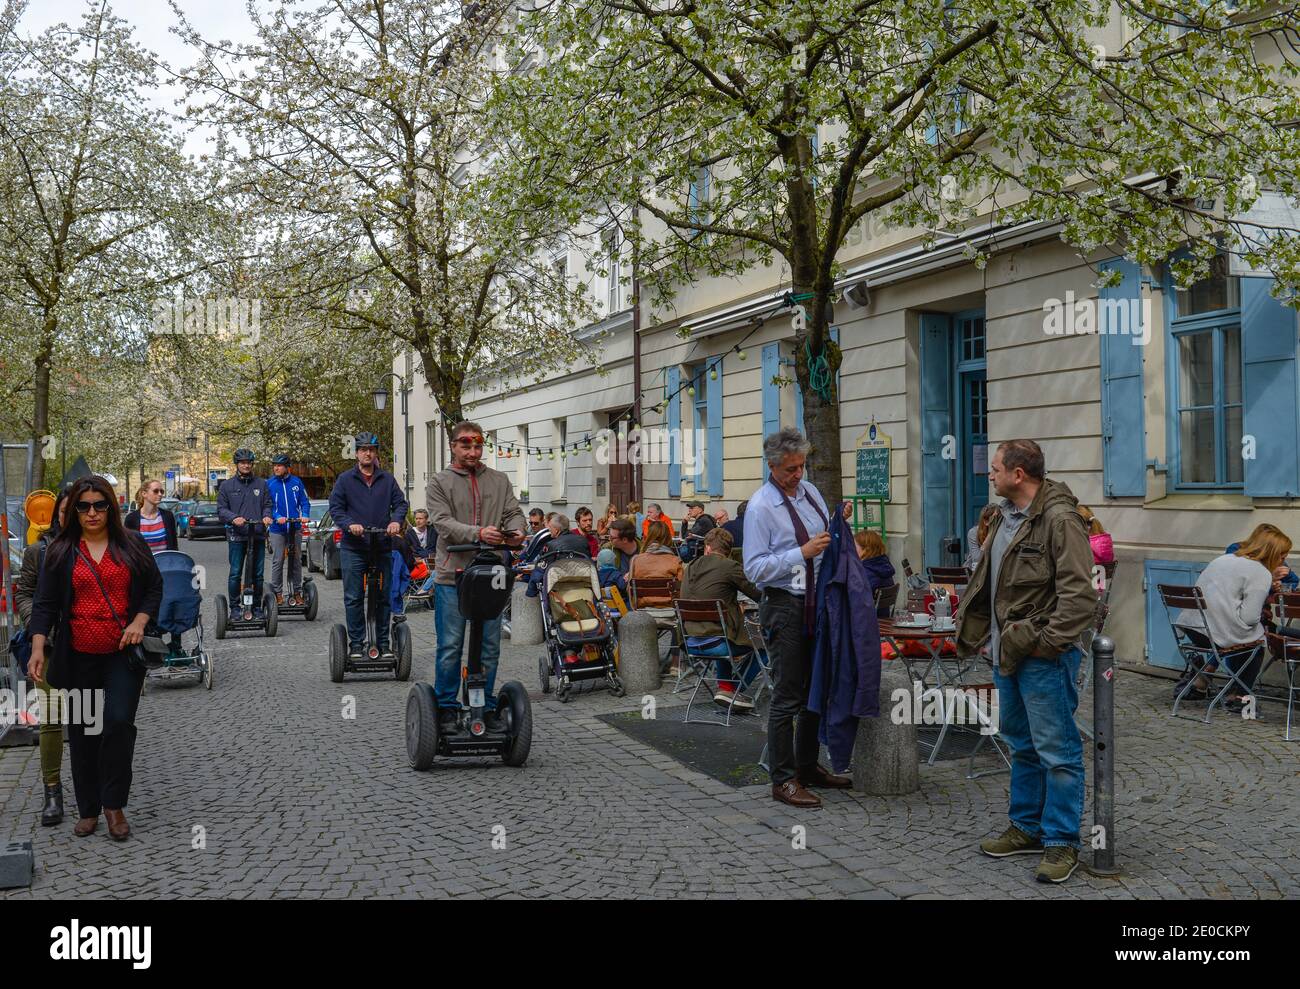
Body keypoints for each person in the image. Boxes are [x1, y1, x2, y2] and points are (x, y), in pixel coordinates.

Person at [956, 439, 1095, 884]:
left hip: (1041, 657)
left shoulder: (1059, 519)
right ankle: (1026, 827)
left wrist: (1048, 644)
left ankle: (1061, 843)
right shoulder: (1002, 517)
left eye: (995, 468)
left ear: (1019, 474)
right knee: (1022, 743)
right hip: (1006, 653)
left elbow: (1079, 596)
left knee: (1058, 752)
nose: (988, 474)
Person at [27, 475, 164, 841]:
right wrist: (38, 646)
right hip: (78, 656)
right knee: (84, 732)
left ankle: (114, 804)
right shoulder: (61, 551)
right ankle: (88, 808)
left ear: (111, 507)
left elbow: (154, 587)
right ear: (74, 511)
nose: (91, 512)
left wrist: (139, 620)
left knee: (118, 723)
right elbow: (44, 604)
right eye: (83, 506)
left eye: (99, 505)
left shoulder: (131, 544)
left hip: (120, 654)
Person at [743, 427, 845, 808]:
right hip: (785, 604)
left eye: (801, 466)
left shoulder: (810, 492)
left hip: (816, 602)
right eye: (790, 469)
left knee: (815, 687)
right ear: (772, 466)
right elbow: (754, 570)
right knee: (787, 696)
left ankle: (807, 765)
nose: (798, 474)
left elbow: (824, 538)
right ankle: (782, 778)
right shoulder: (760, 507)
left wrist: (837, 522)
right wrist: (800, 552)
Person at [427, 421, 525, 730]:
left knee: (490, 646)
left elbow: (513, 512)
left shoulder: (498, 480)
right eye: (465, 445)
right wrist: (478, 532)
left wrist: (518, 530)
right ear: (453, 447)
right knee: (451, 644)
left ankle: (484, 705)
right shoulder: (439, 482)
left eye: (478, 445)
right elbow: (442, 522)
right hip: (453, 574)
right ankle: (445, 707)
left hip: (491, 572)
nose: (472, 450)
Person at [1175, 526, 1293, 709]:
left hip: (1193, 629)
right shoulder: (1260, 572)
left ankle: (1217, 685)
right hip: (1215, 634)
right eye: (1282, 556)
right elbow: (1250, 618)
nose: (1283, 561)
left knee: (1248, 638)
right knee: (1258, 641)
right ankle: (1239, 697)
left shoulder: (1223, 559)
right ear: (1271, 553)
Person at [16, 488, 70, 826]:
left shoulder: (95, 547)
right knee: (51, 718)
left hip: (88, 644)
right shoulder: (39, 551)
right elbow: (24, 592)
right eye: (65, 510)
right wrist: (36, 622)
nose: (70, 515)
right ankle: (52, 791)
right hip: (49, 644)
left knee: (89, 716)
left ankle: (94, 786)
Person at [328, 434, 408, 660]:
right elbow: (336, 508)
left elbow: (401, 504)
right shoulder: (345, 480)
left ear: (375, 453)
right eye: (363, 449)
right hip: (354, 547)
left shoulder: (387, 479)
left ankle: (382, 643)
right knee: (354, 596)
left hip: (381, 545)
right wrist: (349, 524)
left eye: (371, 449)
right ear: (356, 453)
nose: (367, 453)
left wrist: (395, 521)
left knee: (384, 596)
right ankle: (356, 644)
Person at [681, 527, 761, 710]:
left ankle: (725, 688)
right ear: (729, 550)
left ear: (707, 547)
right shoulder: (729, 566)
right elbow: (757, 594)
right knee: (764, 647)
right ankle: (733, 691)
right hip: (717, 641)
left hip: (689, 641)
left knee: (721, 632)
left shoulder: (690, 566)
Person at [216, 450, 274, 622]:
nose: (246, 465)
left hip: (257, 534)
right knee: (235, 573)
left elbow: (267, 504)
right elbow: (221, 510)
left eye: (248, 462)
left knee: (258, 574)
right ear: (237, 464)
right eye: (242, 462)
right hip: (237, 535)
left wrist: (267, 515)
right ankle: (234, 608)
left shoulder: (261, 484)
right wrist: (234, 518)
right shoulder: (227, 486)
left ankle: (256, 607)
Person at [267, 454, 312, 606]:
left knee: (297, 560)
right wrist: (277, 515)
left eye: (279, 466)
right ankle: (278, 593)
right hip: (277, 529)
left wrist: (304, 515)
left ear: (287, 467)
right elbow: (268, 505)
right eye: (274, 465)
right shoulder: (270, 483)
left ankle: (297, 592)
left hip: (295, 528)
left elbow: (304, 502)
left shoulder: (296, 482)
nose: (276, 468)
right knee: (278, 560)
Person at [1226, 523, 1297, 592]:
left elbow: (1293, 581)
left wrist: (1279, 586)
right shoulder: (1236, 550)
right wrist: (1269, 578)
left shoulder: (1276, 557)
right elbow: (1238, 583)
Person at [627, 519, 682, 605]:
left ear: (648, 537)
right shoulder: (676, 561)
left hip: (643, 608)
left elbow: (630, 591)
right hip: (670, 608)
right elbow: (681, 590)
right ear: (668, 537)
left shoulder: (636, 560)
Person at [124, 480, 178, 553]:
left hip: (166, 562)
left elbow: (174, 545)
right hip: (142, 563)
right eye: (156, 491)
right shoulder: (131, 519)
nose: (160, 494)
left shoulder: (168, 516)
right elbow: (128, 548)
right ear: (144, 494)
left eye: (161, 491)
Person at [854, 529, 896, 617]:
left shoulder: (867, 572)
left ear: (866, 549)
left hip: (868, 623)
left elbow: (855, 599)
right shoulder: (883, 566)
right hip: (882, 617)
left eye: (854, 546)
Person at [598, 518, 639, 595]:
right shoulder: (607, 549)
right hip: (618, 597)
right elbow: (602, 578)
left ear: (624, 540)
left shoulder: (644, 551)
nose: (609, 540)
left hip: (639, 595)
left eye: (612, 538)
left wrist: (634, 573)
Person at [964, 503, 1000, 572]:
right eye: (985, 518)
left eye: (992, 518)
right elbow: (977, 559)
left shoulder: (1003, 532)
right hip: (975, 573)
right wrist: (990, 535)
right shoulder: (974, 532)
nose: (987, 522)